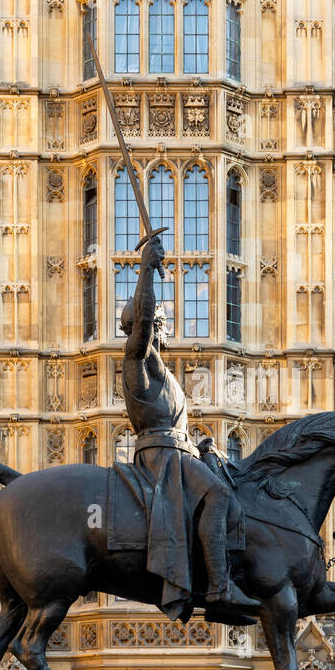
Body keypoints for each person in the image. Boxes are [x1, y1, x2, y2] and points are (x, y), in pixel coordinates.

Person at [118, 234, 255, 620]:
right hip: (161, 460)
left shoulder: (162, 374)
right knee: (219, 497)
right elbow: (142, 323)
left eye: (160, 325)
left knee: (227, 484)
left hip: (177, 453)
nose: (161, 331)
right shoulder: (136, 361)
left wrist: (201, 447)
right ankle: (220, 588)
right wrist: (146, 270)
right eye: (158, 325)